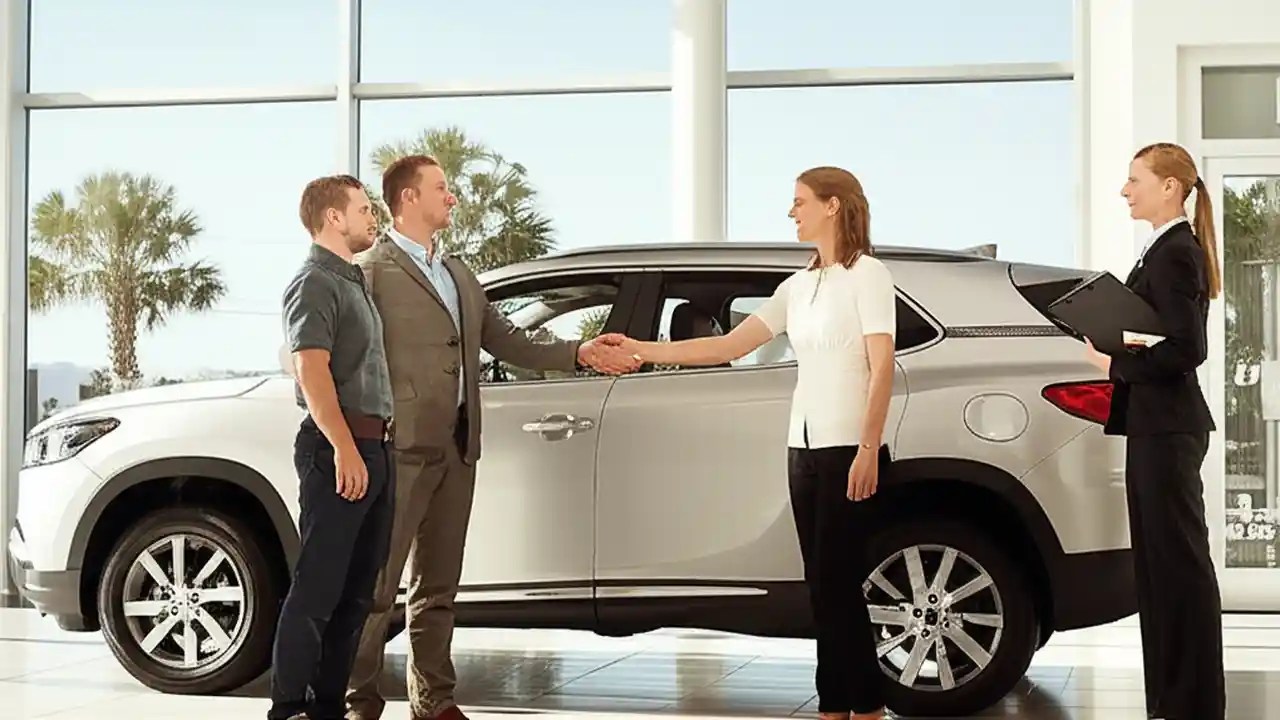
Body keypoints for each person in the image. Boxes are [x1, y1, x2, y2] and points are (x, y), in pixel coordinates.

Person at [345, 154, 640, 720]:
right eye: (440, 188)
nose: (451, 197)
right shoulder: (372, 271)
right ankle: (358, 700)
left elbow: (506, 339)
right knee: (377, 588)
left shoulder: (457, 273)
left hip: (459, 448)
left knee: (438, 588)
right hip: (398, 448)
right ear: (408, 199)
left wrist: (579, 353)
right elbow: (346, 358)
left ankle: (434, 699)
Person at [616, 166, 894, 720]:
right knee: (821, 585)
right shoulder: (797, 286)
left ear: (833, 206)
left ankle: (864, 707)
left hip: (849, 450)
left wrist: (868, 448)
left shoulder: (869, 275)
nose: (792, 212)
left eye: (799, 202)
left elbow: (881, 367)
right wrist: (642, 350)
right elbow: (728, 346)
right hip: (803, 449)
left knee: (841, 584)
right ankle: (835, 704)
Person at [1082, 142, 1225, 720]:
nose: (1124, 190)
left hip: (1167, 428)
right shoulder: (1165, 251)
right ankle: (1173, 702)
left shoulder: (1174, 253)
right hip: (1155, 427)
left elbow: (1190, 347)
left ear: (1170, 187)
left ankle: (1189, 704)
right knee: (1161, 572)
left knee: (1178, 570)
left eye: (1135, 179)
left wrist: (1115, 364)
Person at [269, 175, 397, 720]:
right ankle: (289, 708)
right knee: (317, 591)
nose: (374, 218)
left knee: (356, 597)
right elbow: (311, 372)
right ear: (332, 217)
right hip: (338, 451)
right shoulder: (314, 283)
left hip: (375, 448)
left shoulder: (353, 281)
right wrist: (343, 448)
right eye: (365, 210)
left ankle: (327, 708)